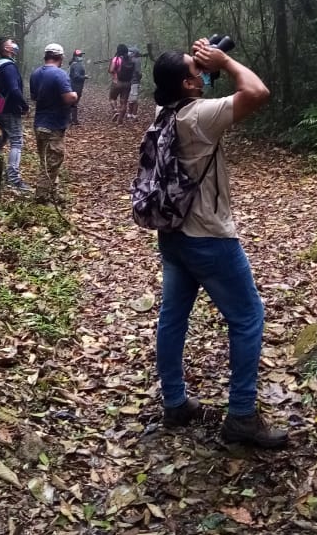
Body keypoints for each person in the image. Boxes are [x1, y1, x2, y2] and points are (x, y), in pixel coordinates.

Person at [150, 38, 287, 449]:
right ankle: (242, 416)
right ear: (190, 86)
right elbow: (257, 92)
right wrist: (225, 60)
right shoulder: (200, 117)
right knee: (247, 318)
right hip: (208, 237)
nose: (202, 75)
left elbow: (192, 82)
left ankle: (174, 401)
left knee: (173, 317)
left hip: (173, 236)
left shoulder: (163, 111)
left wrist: (202, 62)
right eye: (197, 72)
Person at [29, 43, 77, 206]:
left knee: (46, 161)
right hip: (54, 125)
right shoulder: (60, 74)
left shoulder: (35, 73)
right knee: (53, 162)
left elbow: (34, 96)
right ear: (60, 57)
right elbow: (68, 98)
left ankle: (53, 194)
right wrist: (74, 95)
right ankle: (41, 198)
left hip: (39, 123)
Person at [0, 36, 30, 191]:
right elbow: (13, 90)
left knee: (0, 141)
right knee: (16, 142)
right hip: (10, 110)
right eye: (12, 43)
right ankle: (13, 179)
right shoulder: (9, 67)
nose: (15, 44)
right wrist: (24, 106)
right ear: (6, 48)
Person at [108, 42, 133, 123]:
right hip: (128, 83)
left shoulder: (116, 59)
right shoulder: (130, 59)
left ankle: (116, 111)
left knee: (112, 98)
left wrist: (114, 73)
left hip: (117, 82)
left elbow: (111, 70)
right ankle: (120, 120)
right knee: (124, 102)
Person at [68, 49, 86, 125]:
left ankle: (71, 120)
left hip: (74, 86)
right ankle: (73, 120)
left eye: (81, 55)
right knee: (73, 103)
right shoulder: (76, 65)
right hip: (75, 86)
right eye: (79, 55)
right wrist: (84, 76)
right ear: (75, 56)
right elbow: (76, 76)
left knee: (72, 103)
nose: (80, 57)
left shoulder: (73, 64)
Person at [126, 47, 143, 119]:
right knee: (134, 99)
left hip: (128, 81)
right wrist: (140, 77)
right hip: (134, 81)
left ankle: (130, 114)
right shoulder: (137, 60)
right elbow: (138, 72)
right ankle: (133, 114)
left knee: (131, 99)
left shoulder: (128, 59)